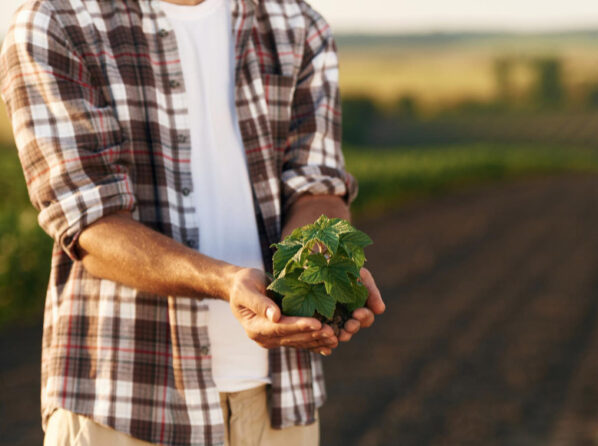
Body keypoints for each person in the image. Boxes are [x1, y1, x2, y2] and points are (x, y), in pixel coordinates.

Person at [0, 0, 385, 444]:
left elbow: (317, 187)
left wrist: (325, 264)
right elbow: (91, 226)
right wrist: (227, 282)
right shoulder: (57, 21)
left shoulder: (297, 24)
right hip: (122, 403)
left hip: (279, 404)